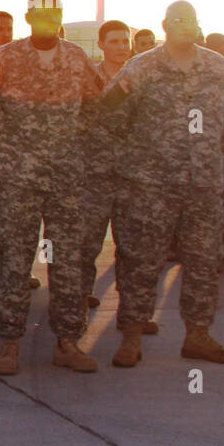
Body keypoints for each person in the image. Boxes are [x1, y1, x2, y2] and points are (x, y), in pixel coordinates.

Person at [0, 0, 99, 375]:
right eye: (39, 14)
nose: (46, 21)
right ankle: (10, 343)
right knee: (14, 260)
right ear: (27, 17)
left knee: (67, 260)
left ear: (61, 17)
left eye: (53, 14)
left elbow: (96, 104)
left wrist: (75, 137)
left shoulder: (76, 58)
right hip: (17, 177)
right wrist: (2, 132)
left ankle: (68, 341)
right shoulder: (5, 58)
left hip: (65, 177)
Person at [100, 1, 224, 366]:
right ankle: (132, 336)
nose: (184, 26)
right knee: (141, 260)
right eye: (177, 20)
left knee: (203, 261)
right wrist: (140, 157)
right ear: (164, 25)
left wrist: (211, 150)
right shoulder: (142, 66)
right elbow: (112, 113)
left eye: (190, 20)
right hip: (151, 186)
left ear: (198, 26)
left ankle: (198, 335)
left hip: (203, 186)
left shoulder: (217, 68)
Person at [80, 20, 132, 310]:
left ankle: (132, 309)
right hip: (95, 176)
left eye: (125, 41)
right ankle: (80, 297)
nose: (121, 47)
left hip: (130, 177)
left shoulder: (140, 78)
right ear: (101, 45)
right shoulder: (89, 79)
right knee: (87, 244)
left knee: (131, 249)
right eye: (114, 41)